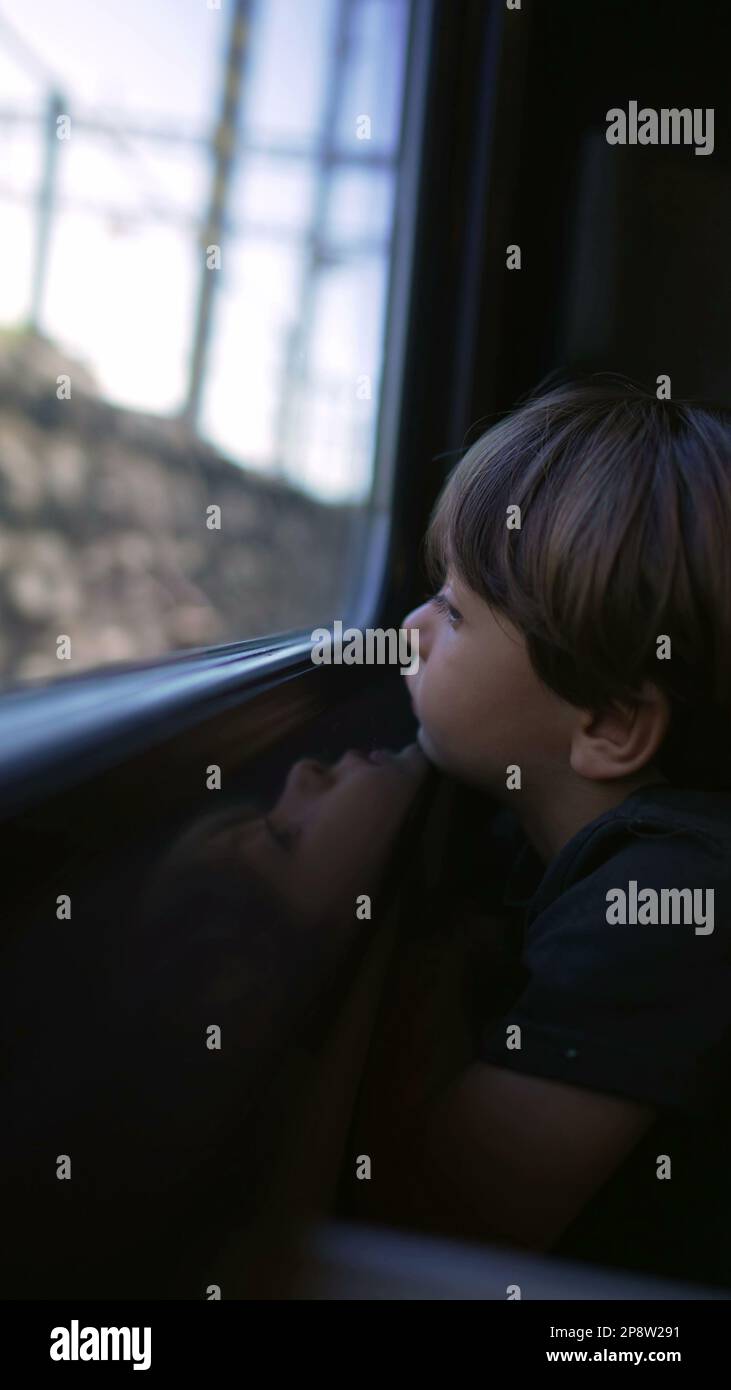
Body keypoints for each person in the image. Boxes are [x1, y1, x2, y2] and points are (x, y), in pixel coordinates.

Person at [344, 378, 731, 1291]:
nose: (410, 627)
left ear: (606, 725)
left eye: (455, 611)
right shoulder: (545, 838)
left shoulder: (666, 909)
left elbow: (431, 1228)